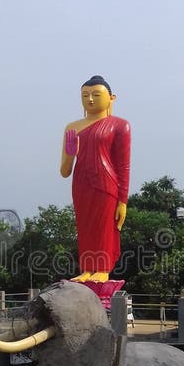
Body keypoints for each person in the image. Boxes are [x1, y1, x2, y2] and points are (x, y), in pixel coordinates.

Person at [60, 76, 131, 282]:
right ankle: (87, 268)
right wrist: (71, 152)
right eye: (85, 95)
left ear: (112, 98)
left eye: (96, 94)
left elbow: (123, 165)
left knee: (103, 226)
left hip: (106, 184)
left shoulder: (120, 125)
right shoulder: (72, 128)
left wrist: (123, 200)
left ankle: (103, 268)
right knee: (85, 227)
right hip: (81, 184)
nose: (90, 99)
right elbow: (65, 171)